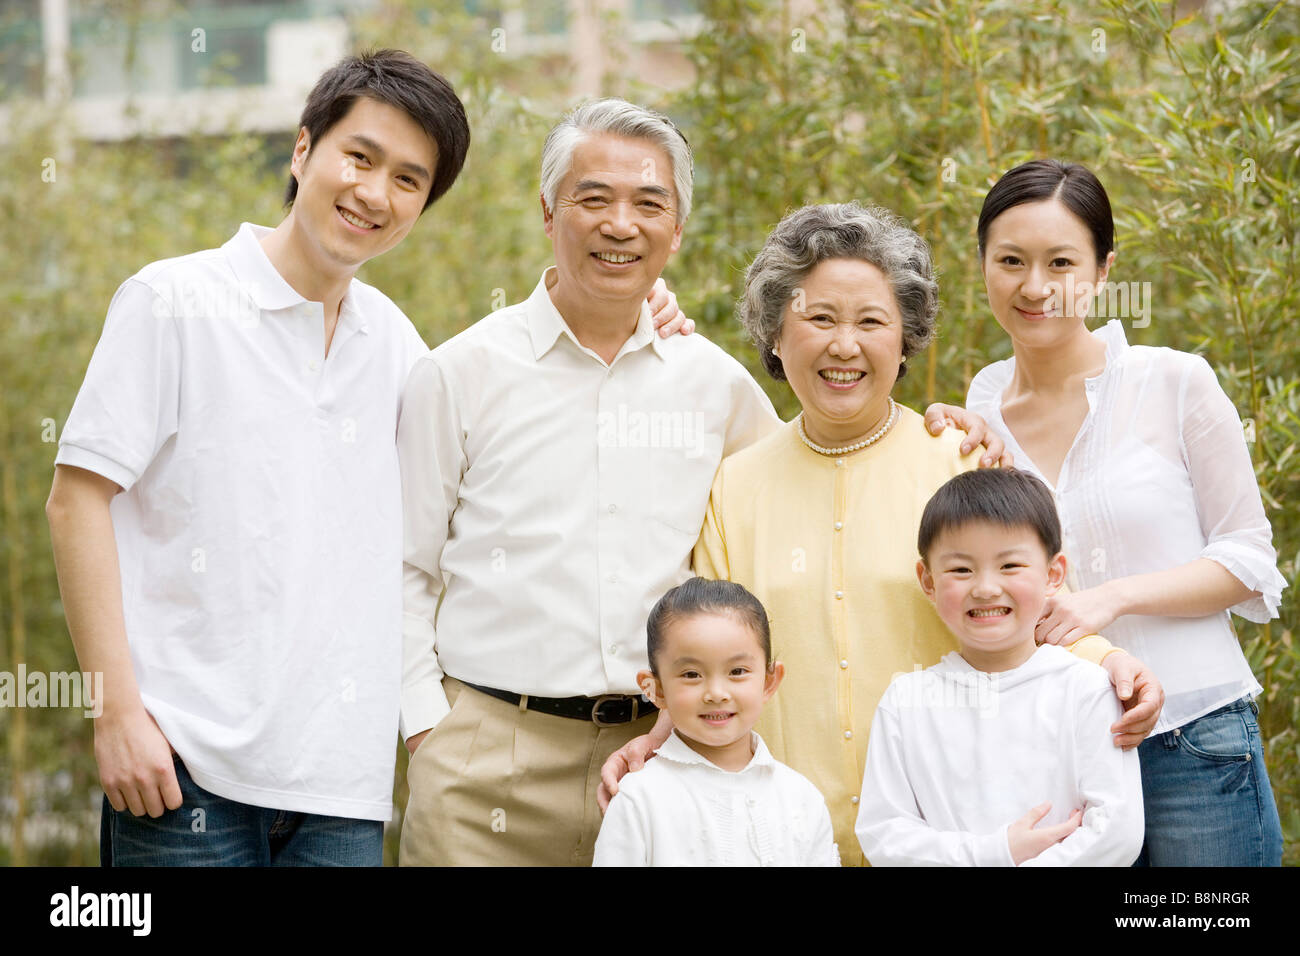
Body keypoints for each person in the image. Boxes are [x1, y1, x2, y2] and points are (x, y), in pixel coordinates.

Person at [44, 50, 685, 867]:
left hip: (340, 789)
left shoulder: (398, 348)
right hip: (180, 770)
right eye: (360, 157)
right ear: (303, 149)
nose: (375, 194)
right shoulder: (174, 302)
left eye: (410, 180)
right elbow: (75, 503)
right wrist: (115, 711)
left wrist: (639, 309)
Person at [395, 103, 994, 866]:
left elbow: (815, 472)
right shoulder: (460, 372)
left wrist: (947, 425)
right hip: (490, 762)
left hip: (677, 760)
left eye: (650, 204)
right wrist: (428, 727)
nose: (622, 223)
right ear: (549, 212)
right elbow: (403, 566)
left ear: (676, 230)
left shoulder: (714, 384)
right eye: (594, 198)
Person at [600, 202, 1164, 866]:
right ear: (776, 335)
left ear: (905, 341)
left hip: (952, 836)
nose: (845, 345)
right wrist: (659, 738)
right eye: (818, 318)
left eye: (872, 321)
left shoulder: (960, 461)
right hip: (786, 839)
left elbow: (1022, 595)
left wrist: (1108, 661)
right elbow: (712, 644)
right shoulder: (735, 485)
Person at [965, 159, 1286, 866]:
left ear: (1104, 271)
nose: (1035, 286)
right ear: (982, 263)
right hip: (1059, 756)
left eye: (1062, 262)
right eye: (1011, 260)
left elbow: (1249, 560)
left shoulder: (1173, 382)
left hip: (1194, 740)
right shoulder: (979, 409)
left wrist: (1108, 600)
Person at [856, 468, 1144, 866]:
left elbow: (1117, 831)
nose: (986, 587)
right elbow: (885, 834)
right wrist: (996, 854)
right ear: (927, 580)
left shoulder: (1087, 689)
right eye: (961, 569)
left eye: (1010, 566)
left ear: (1054, 574)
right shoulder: (906, 701)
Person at [593, 577, 839, 866]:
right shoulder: (638, 798)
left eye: (737, 671)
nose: (716, 694)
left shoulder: (801, 797)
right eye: (691, 674)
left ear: (769, 682)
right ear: (655, 690)